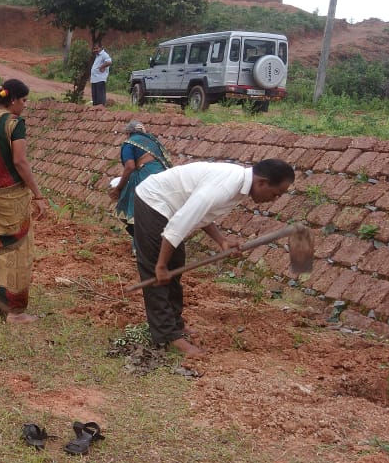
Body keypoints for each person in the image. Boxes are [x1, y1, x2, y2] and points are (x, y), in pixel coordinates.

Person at [133, 159, 295, 356]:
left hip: (172, 206)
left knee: (175, 265)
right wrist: (159, 265)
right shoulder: (225, 186)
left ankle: (175, 324)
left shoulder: (238, 186)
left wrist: (222, 241)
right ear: (262, 182)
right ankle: (167, 337)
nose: (274, 199)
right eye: (275, 193)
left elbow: (202, 215)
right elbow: (179, 225)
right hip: (154, 200)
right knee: (157, 274)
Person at [0, 79, 48, 325]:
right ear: (14, 99)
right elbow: (20, 162)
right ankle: (15, 312)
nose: (25, 105)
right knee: (17, 253)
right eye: (24, 100)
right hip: (12, 199)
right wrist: (38, 195)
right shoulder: (15, 125)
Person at [109, 120, 172, 253]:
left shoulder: (129, 143)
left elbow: (130, 166)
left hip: (145, 178)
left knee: (135, 210)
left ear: (128, 133)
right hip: (164, 179)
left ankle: (140, 249)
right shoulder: (153, 142)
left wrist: (119, 188)